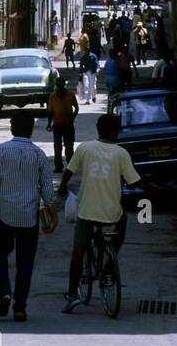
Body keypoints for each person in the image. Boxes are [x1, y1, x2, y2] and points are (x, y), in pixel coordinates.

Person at [0, 112, 57, 322]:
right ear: (31, 128)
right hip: (29, 217)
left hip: (5, 214)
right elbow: (48, 191)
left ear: (12, 128)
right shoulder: (39, 155)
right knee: (25, 263)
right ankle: (20, 307)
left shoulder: (1, 151)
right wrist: (53, 216)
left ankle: (5, 292)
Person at [58, 112, 141, 313]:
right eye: (118, 128)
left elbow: (68, 171)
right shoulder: (121, 154)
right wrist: (158, 190)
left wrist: (62, 188)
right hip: (111, 213)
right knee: (123, 221)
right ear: (114, 131)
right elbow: (135, 182)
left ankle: (72, 295)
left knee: (78, 251)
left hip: (86, 211)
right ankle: (110, 261)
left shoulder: (85, 148)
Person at [48, 76, 79, 173]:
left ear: (64, 85)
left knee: (69, 146)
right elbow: (50, 112)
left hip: (68, 125)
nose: (60, 87)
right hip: (57, 125)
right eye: (58, 85)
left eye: (61, 85)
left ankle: (71, 167)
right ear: (57, 85)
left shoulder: (70, 95)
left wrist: (72, 118)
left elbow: (76, 108)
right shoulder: (53, 96)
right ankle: (58, 167)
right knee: (57, 147)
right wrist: (49, 123)